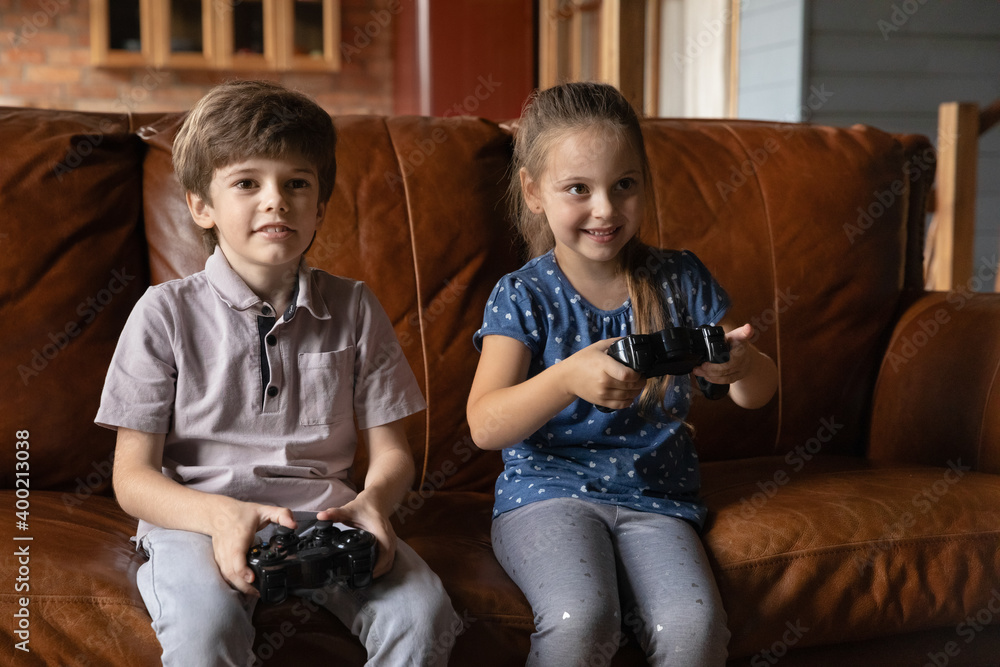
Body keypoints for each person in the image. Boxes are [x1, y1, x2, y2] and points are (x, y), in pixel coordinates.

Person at [96, 79, 458, 667]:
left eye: (296, 184)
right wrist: (217, 515)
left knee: (424, 616)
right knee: (206, 629)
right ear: (200, 205)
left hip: (325, 514)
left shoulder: (355, 307)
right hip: (197, 517)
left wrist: (372, 504)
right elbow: (132, 479)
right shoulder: (162, 313)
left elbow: (394, 457)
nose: (276, 201)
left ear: (320, 206)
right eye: (247, 183)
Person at [466, 82, 778, 666]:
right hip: (546, 495)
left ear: (644, 184)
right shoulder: (524, 295)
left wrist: (743, 365)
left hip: (656, 500)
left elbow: (758, 394)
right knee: (580, 617)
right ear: (534, 192)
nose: (605, 208)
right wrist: (565, 378)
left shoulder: (679, 280)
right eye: (578, 189)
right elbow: (485, 424)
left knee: (695, 626)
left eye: (624, 185)